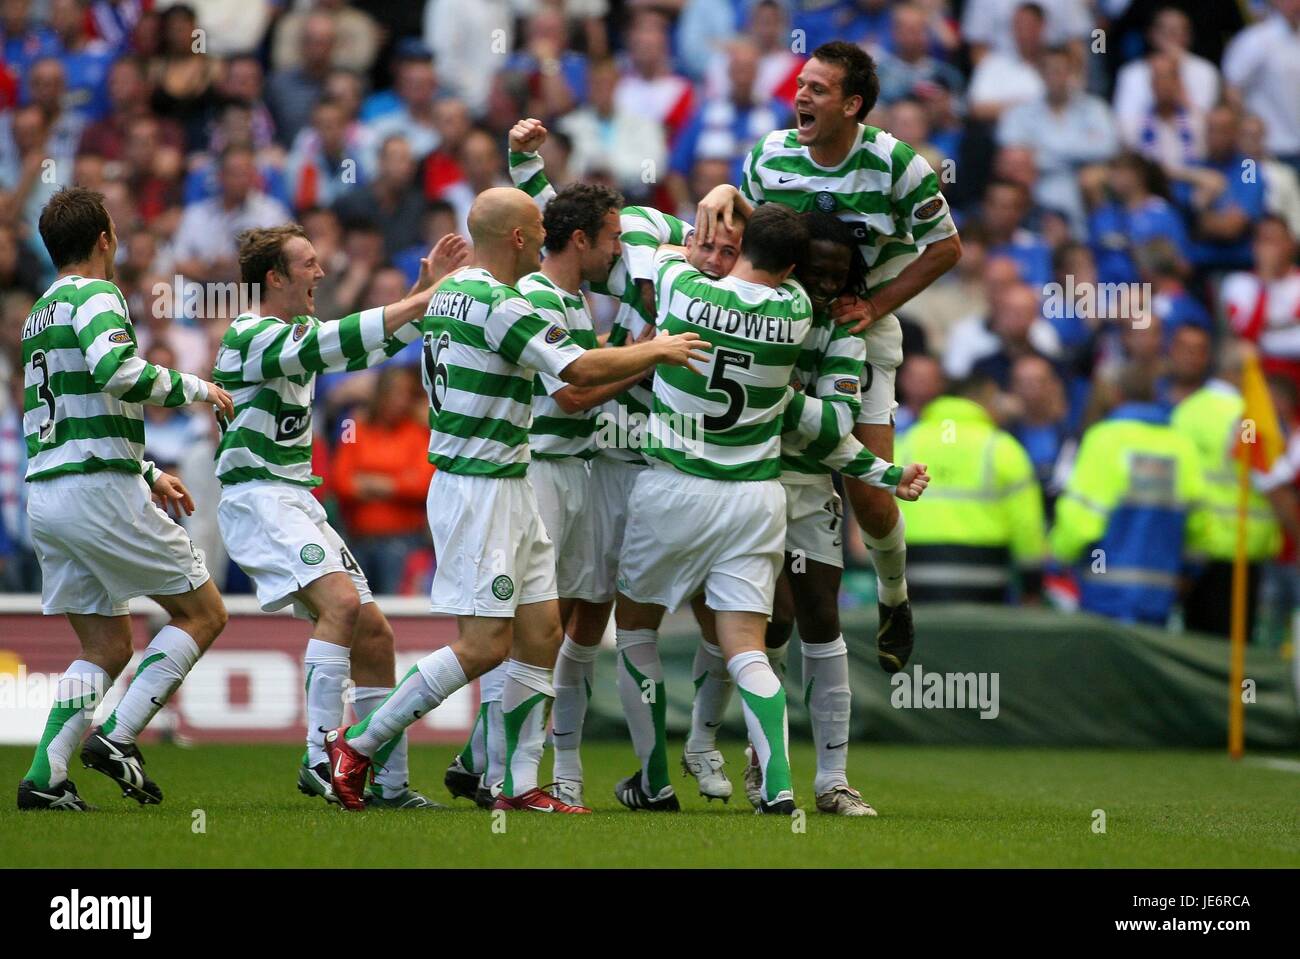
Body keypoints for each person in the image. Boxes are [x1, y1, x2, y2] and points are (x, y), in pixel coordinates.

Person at [323, 186, 710, 814]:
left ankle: (518, 783)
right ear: (519, 240)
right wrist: (661, 346)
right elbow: (578, 373)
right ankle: (360, 742)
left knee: (542, 632)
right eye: (537, 226)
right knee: (484, 646)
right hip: (480, 487)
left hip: (507, 477)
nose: (546, 235)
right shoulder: (499, 304)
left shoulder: (454, 290)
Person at [613, 203, 929, 814]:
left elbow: (636, 224)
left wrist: (695, 233)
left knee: (635, 631)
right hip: (754, 496)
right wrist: (881, 468)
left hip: (674, 484)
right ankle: (778, 783)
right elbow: (828, 422)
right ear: (792, 268)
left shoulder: (681, 288)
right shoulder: (795, 313)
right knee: (748, 645)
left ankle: (653, 781)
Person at [695, 40, 961, 676]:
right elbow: (755, 234)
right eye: (801, 84)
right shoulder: (769, 155)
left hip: (858, 329)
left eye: (817, 88)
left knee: (870, 489)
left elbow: (946, 249)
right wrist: (725, 193)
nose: (801, 95)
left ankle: (894, 598)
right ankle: (762, 623)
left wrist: (874, 306)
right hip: (783, 326)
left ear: (853, 104)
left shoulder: (899, 166)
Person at [213, 225, 469, 809]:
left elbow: (361, 348)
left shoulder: (297, 332)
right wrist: (423, 300)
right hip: (259, 497)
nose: (320, 274)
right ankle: (318, 757)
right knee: (344, 606)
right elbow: (330, 344)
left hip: (296, 498)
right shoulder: (249, 334)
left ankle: (390, 784)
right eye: (307, 264)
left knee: (376, 635)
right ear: (274, 277)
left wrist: (419, 290)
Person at [17, 187, 235, 811]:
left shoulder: (40, 312)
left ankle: (46, 777)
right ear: (104, 240)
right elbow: (116, 371)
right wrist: (196, 384)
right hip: (94, 490)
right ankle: (117, 735)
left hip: (51, 494)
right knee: (205, 613)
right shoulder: (96, 293)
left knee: (108, 647)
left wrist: (143, 468)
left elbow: (80, 404)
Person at [1051, 364, 1204, 625]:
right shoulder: (1182, 446)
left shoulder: (1103, 439)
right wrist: (1189, 573)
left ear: (1116, 394)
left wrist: (1055, 559)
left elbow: (1082, 521)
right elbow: (1199, 525)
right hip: (1161, 591)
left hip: (1104, 588)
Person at [897, 373, 1047, 603]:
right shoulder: (1004, 448)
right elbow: (1026, 525)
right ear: (984, 399)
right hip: (987, 578)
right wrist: (1032, 585)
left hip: (912, 575)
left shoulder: (905, 443)